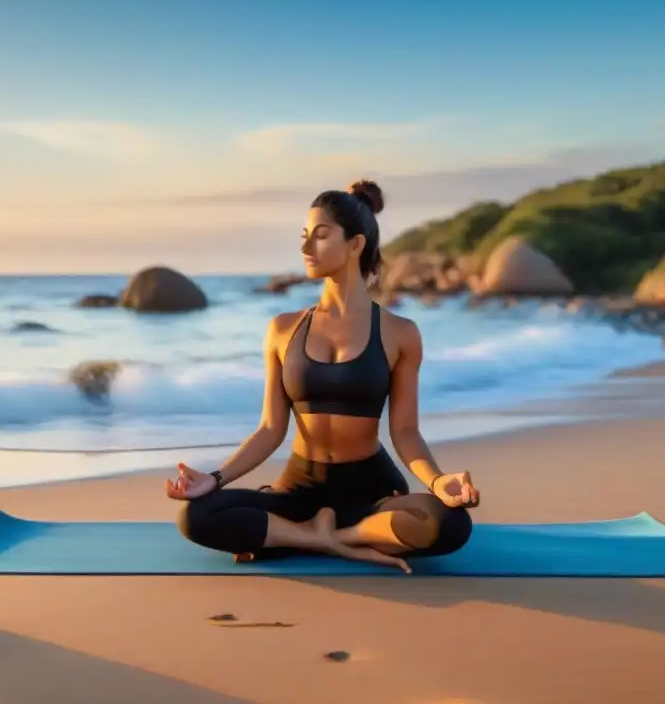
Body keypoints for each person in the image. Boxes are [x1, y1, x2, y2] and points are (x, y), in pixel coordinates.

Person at [165, 179, 479, 573]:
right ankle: (327, 538)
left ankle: (320, 536)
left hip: (372, 491)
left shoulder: (400, 333)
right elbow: (269, 429)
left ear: (355, 245)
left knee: (450, 524)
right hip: (300, 488)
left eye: (321, 235)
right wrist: (216, 477)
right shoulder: (283, 329)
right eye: (304, 236)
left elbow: (405, 433)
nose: (305, 247)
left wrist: (437, 482)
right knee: (196, 517)